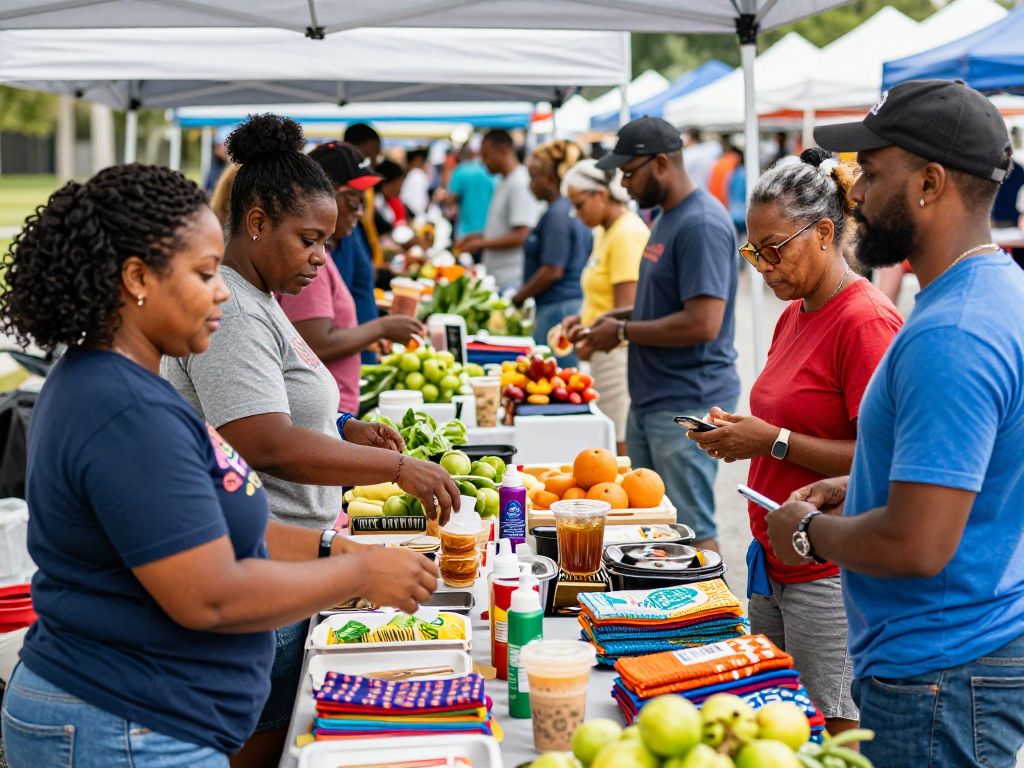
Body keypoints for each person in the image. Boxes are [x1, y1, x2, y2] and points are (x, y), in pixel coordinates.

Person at [0, 164, 441, 768]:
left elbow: (208, 528)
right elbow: (208, 596)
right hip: (123, 725)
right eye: (206, 274)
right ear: (137, 278)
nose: (224, 291)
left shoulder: (123, 383)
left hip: (141, 719)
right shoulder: (121, 408)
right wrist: (359, 576)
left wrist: (330, 552)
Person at [162, 115, 459, 768]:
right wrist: (395, 465)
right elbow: (264, 442)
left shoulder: (261, 298)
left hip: (293, 563)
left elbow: (280, 411)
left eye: (326, 242)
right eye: (309, 240)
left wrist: (343, 429)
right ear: (259, 222)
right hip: (266, 568)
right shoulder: (236, 310)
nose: (321, 258)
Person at [766, 79, 1024, 767]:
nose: (855, 196)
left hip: (936, 675)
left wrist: (807, 531)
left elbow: (918, 545)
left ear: (930, 184)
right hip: (955, 658)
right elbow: (969, 474)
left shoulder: (956, 333)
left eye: (873, 175)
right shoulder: (988, 293)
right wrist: (862, 481)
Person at [687, 148, 903, 736]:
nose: (761, 265)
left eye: (773, 249)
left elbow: (886, 458)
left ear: (826, 232)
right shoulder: (797, 311)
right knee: (774, 731)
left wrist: (773, 441)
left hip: (827, 574)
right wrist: (744, 433)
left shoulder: (864, 321)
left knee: (832, 732)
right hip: (776, 559)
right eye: (752, 251)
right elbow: (793, 418)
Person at [582, 116, 740, 552]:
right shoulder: (667, 218)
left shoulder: (701, 224)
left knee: (689, 528)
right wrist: (610, 321)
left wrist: (624, 330)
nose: (624, 183)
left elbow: (702, 322)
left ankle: (711, 615)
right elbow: (667, 302)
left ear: (662, 163)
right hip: (654, 399)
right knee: (650, 528)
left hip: (687, 398)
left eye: (630, 172)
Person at [278, 142, 423, 413]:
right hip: (327, 411)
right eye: (353, 202)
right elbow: (316, 343)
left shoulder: (324, 254)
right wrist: (381, 328)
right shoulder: (311, 264)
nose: (359, 212)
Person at [561, 159, 647, 455]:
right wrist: (582, 320)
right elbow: (602, 298)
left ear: (600, 194)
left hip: (617, 357)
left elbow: (627, 307)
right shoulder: (604, 231)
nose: (576, 213)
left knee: (617, 441)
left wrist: (589, 340)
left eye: (580, 204)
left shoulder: (625, 233)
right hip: (602, 350)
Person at [513, 139, 592, 365]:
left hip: (558, 308)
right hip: (563, 305)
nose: (530, 184)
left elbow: (553, 270)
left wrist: (520, 296)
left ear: (549, 180)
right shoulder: (563, 210)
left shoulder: (558, 215)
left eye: (533, 177)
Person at [455, 128, 539, 292]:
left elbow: (522, 234)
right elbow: (502, 227)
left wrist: (481, 243)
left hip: (511, 277)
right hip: (498, 276)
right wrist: (476, 236)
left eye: (486, 155)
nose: (483, 162)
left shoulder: (519, 183)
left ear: (503, 151)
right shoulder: (502, 181)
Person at [343, 123, 385, 267]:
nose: (373, 163)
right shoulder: (339, 191)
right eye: (367, 156)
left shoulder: (368, 190)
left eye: (376, 156)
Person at [446, 142, 496, 240]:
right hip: (486, 231)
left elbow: (450, 200)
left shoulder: (460, 171)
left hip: (466, 233)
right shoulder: (487, 171)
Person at [375, 158, 408, 232]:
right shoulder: (376, 203)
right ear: (386, 184)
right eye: (397, 185)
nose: (399, 190)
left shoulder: (385, 202)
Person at [400, 147, 431, 219]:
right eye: (423, 160)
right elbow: (418, 206)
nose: (425, 163)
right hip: (416, 218)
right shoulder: (417, 175)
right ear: (417, 160)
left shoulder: (412, 174)